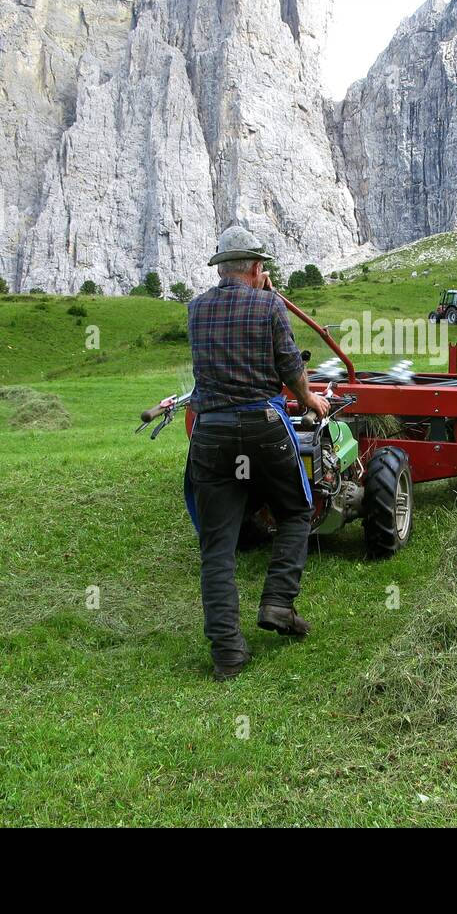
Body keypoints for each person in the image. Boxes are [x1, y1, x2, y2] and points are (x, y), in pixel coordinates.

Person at [183, 225, 330, 680]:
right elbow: (289, 366)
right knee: (295, 510)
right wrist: (311, 400)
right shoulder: (268, 304)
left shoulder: (196, 309)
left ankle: (227, 653)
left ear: (220, 269)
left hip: (210, 433)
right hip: (262, 427)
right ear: (255, 267)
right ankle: (278, 604)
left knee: (217, 547)